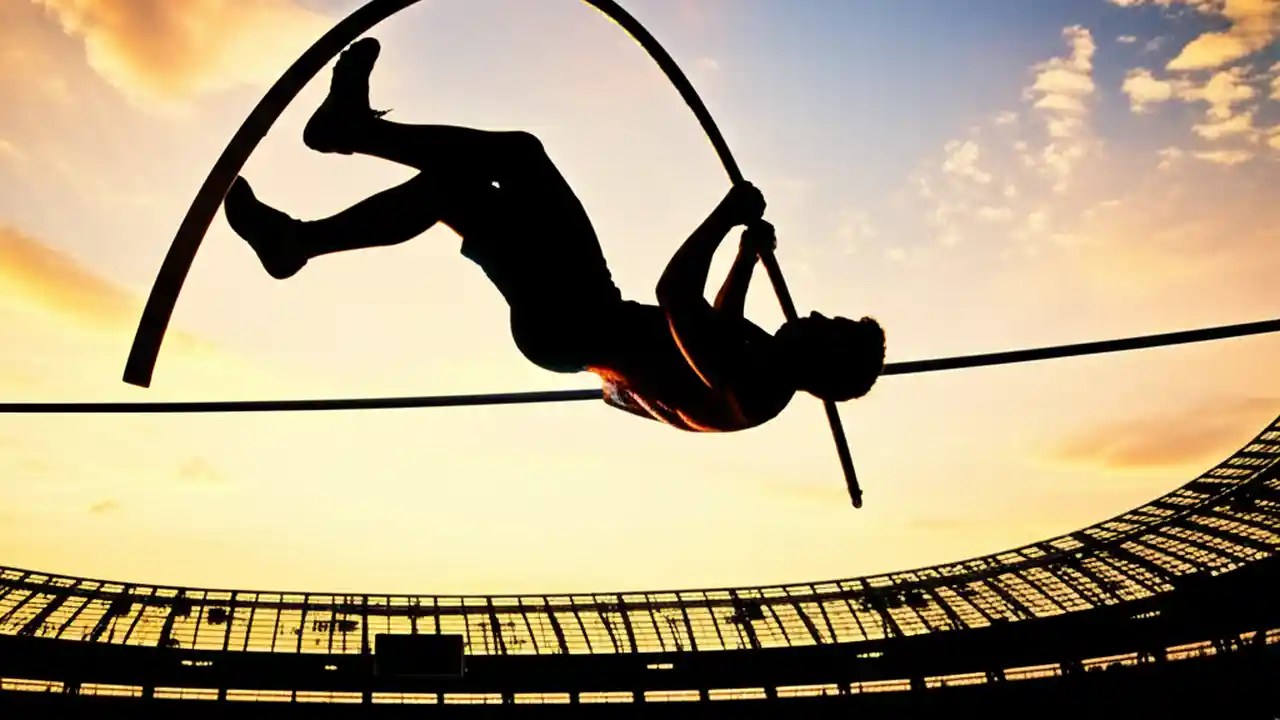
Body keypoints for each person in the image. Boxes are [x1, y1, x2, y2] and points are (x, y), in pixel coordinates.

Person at [224, 38, 885, 432]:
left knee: (516, 162)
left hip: (573, 321)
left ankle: (334, 167)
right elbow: (715, 322)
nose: (816, 313)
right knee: (471, 180)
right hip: (583, 306)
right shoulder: (760, 361)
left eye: (827, 325)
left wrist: (724, 213)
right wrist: (743, 251)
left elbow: (678, 295)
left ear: (822, 359)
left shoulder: (752, 391)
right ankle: (310, 211)